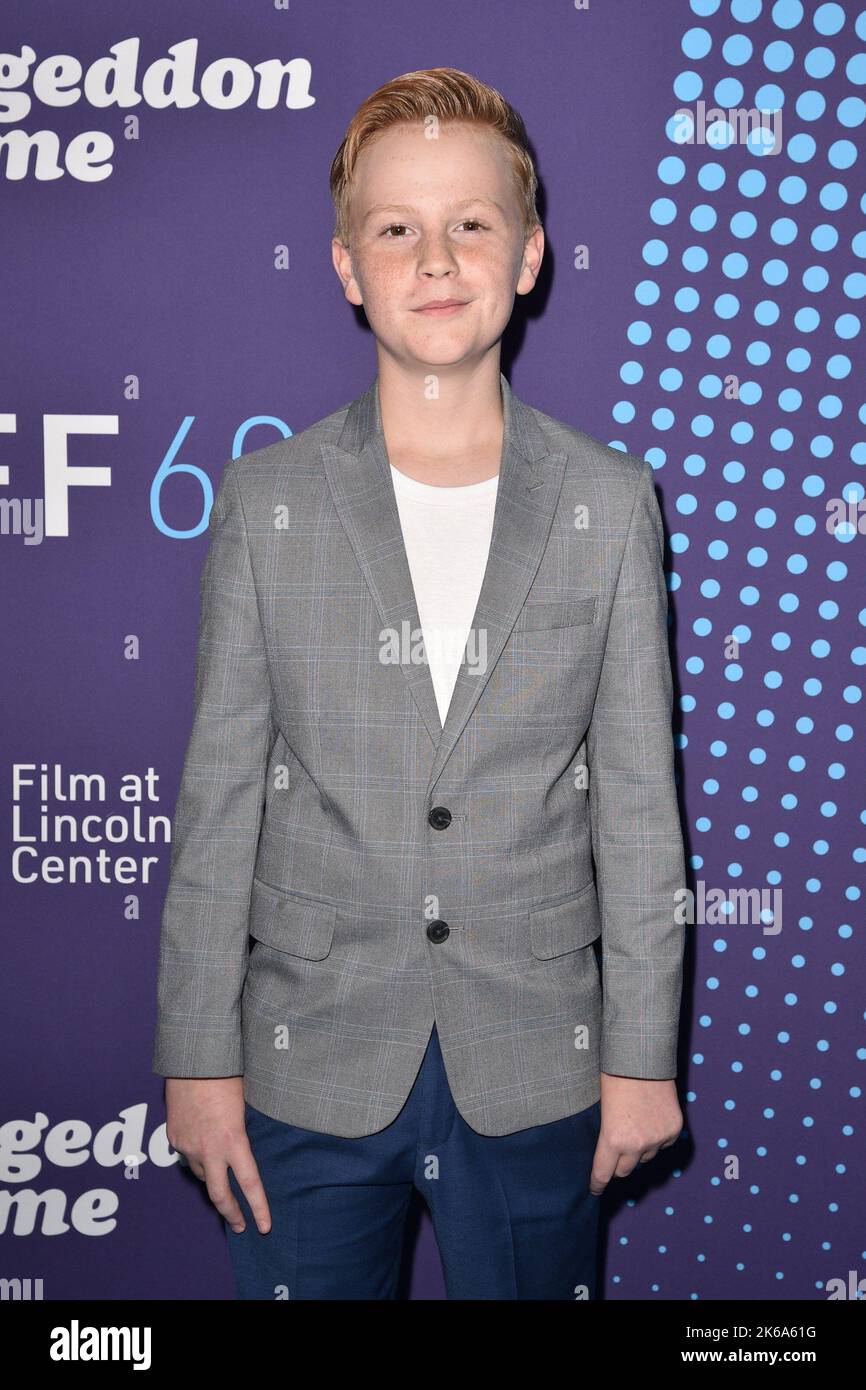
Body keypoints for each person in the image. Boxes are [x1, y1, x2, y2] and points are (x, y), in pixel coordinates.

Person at [152, 66, 686, 1301]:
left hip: (536, 1056)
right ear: (346, 266)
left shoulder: (608, 504)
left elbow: (637, 804)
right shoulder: (266, 501)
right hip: (309, 1058)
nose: (434, 257)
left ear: (531, 253)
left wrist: (640, 1055)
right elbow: (221, 794)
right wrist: (196, 1055)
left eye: (471, 223)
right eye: (395, 227)